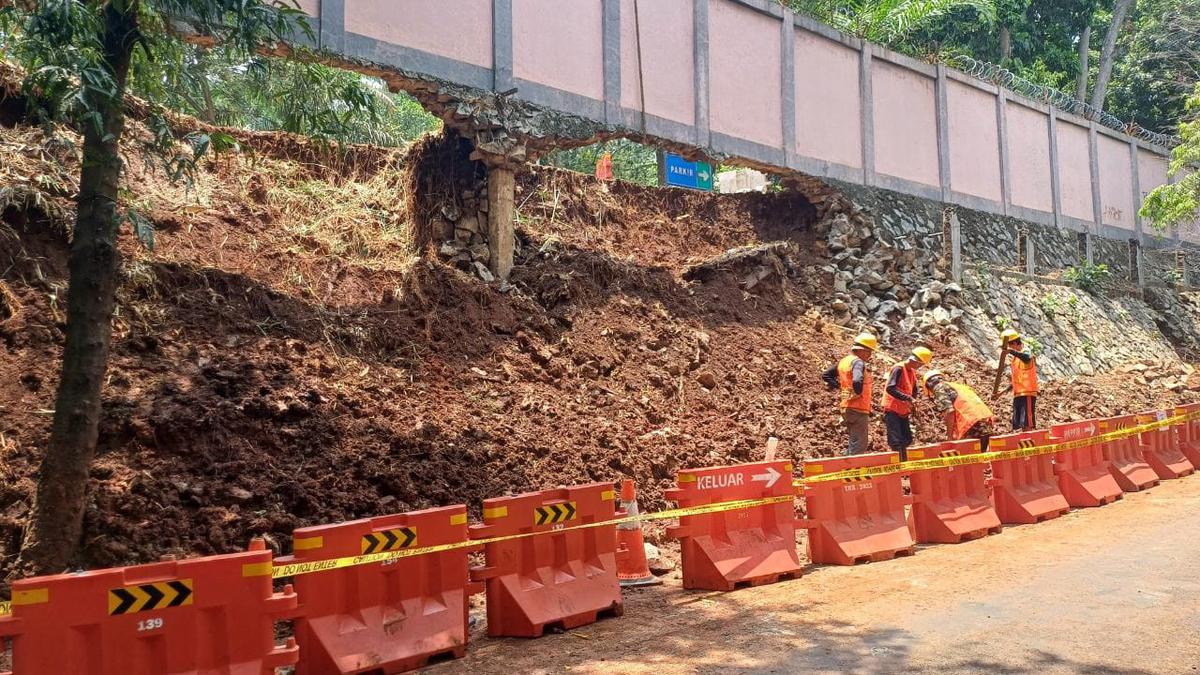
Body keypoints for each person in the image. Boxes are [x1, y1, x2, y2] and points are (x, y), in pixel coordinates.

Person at [822, 332, 878, 455]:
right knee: (859, 445)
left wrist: (842, 388)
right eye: (869, 352)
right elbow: (857, 380)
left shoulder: (844, 362)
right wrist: (857, 392)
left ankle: (845, 466)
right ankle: (851, 471)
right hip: (857, 408)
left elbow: (826, 375)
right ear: (860, 350)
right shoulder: (858, 362)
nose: (870, 355)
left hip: (846, 407)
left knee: (854, 442)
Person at [880, 346, 933, 461]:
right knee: (896, 440)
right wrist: (908, 398)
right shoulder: (898, 369)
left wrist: (913, 400)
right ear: (915, 361)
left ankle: (905, 464)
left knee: (907, 438)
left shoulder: (912, 372)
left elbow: (914, 390)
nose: (920, 367)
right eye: (920, 364)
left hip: (903, 410)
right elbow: (890, 388)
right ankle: (899, 466)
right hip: (892, 409)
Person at [923, 370, 996, 450]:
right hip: (985, 422)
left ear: (929, 386)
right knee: (980, 457)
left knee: (968, 456)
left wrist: (949, 437)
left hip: (971, 425)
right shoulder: (958, 386)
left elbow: (949, 412)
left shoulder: (938, 388)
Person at [1001, 328, 1039, 431]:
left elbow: (1027, 357)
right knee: (1021, 422)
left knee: (1027, 421)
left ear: (1014, 343)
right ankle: (1025, 442)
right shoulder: (1015, 359)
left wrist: (1011, 351)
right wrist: (1001, 392)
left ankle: (1029, 442)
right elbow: (1016, 380)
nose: (1009, 348)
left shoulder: (1025, 352)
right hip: (1018, 393)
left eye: (1009, 346)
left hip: (1027, 392)